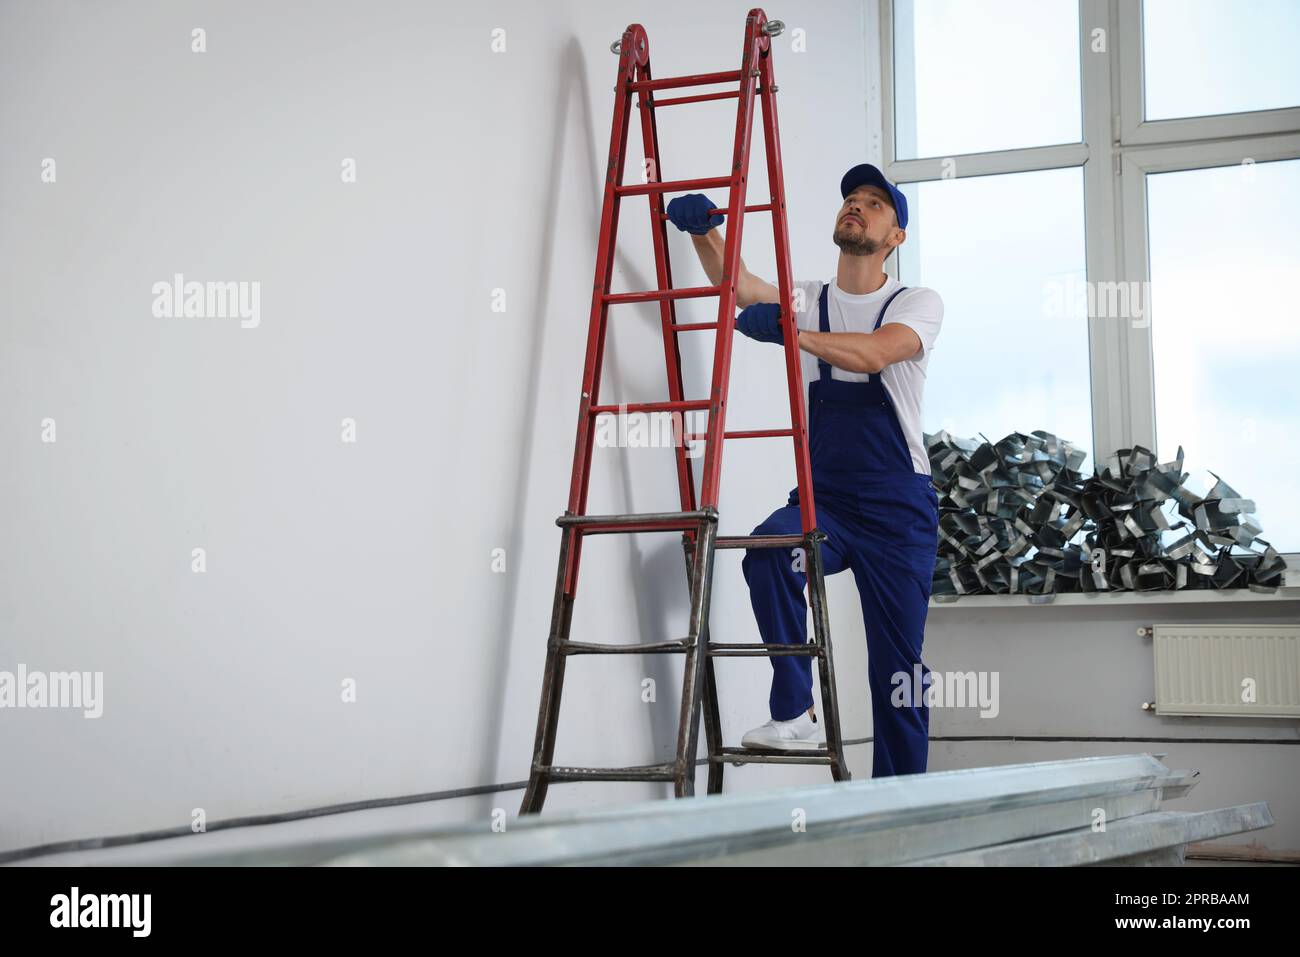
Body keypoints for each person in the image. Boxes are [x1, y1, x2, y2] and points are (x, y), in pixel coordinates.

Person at [666, 163, 943, 777]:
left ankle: (900, 806)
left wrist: (795, 335)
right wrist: (701, 233)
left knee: (898, 670)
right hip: (831, 500)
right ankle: (793, 709)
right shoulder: (811, 297)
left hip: (899, 511)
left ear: (895, 237)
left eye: (875, 204)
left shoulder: (916, 302)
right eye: (851, 198)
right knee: (769, 549)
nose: (858, 207)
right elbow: (739, 286)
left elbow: (875, 352)